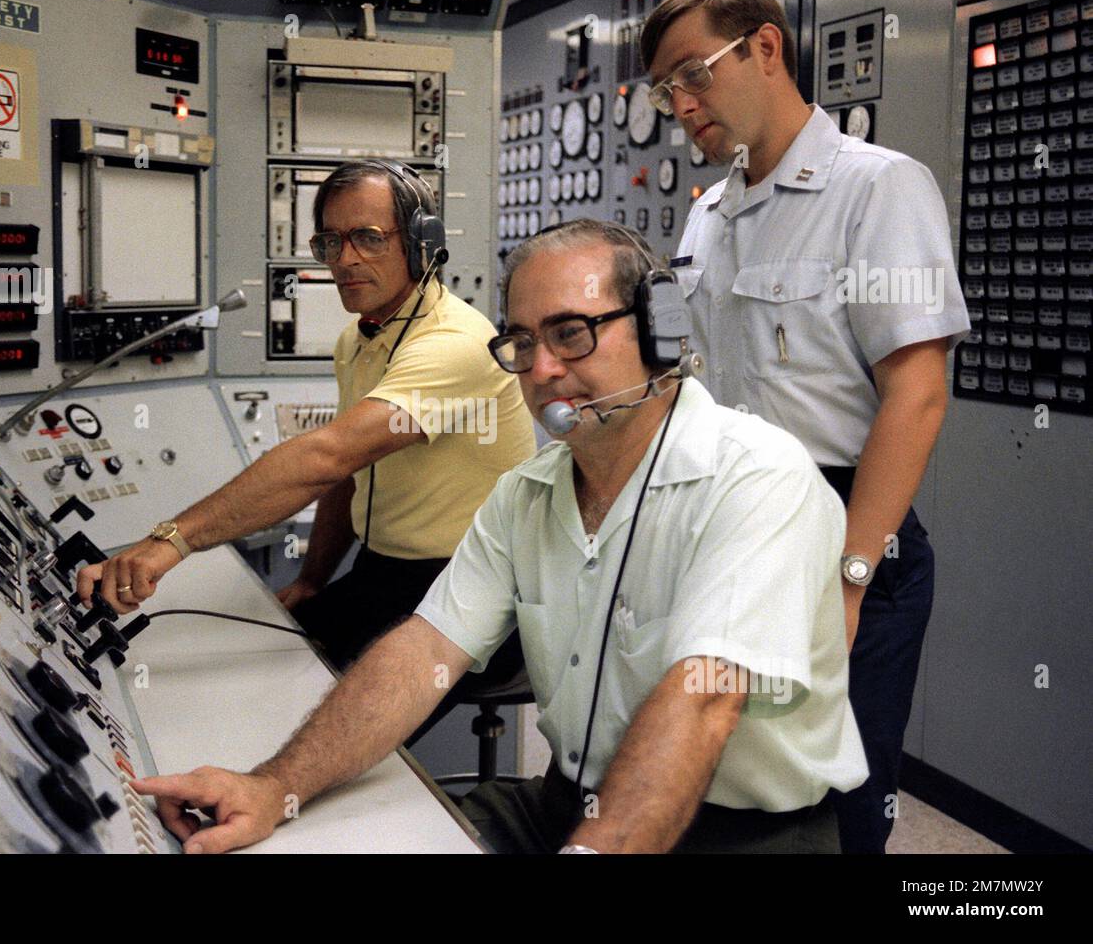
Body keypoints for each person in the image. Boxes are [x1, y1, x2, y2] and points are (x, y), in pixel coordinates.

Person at [131, 221, 868, 854]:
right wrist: (273, 788)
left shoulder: (757, 478)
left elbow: (701, 701)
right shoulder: (529, 492)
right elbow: (427, 650)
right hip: (566, 800)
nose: (544, 370)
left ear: (657, 329)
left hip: (738, 835)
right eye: (521, 342)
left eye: (572, 334)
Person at [641, 0, 971, 852]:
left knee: (844, 799)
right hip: (732, 527)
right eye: (661, 92)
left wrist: (852, 574)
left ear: (765, 49)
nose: (680, 107)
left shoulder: (878, 189)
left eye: (692, 76)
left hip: (845, 532)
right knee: (732, 785)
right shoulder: (709, 217)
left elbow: (919, 393)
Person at [77, 160, 534, 724]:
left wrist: (171, 541)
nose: (345, 261)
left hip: (471, 595)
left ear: (423, 244)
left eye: (368, 238)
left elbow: (325, 458)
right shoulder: (361, 336)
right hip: (384, 574)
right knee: (265, 674)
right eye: (330, 242)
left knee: (312, 732)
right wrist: (314, 579)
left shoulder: (457, 343)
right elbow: (347, 476)